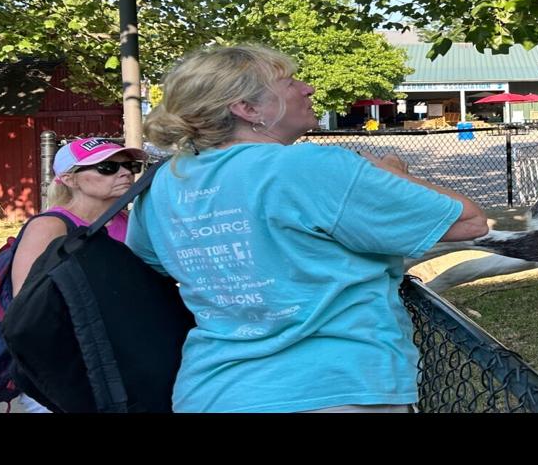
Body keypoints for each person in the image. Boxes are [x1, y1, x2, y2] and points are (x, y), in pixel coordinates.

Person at [127, 44, 488, 412]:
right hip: (336, 388)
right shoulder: (306, 166)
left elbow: (147, 265)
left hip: (209, 393)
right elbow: (468, 221)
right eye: (288, 82)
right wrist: (392, 174)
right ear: (247, 109)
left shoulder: (164, 183)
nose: (307, 88)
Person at [9, 137, 149, 413]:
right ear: (70, 179)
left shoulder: (133, 222)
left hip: (125, 362)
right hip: (70, 371)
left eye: (130, 166)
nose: (125, 173)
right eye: (107, 167)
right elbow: (27, 312)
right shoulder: (50, 227)